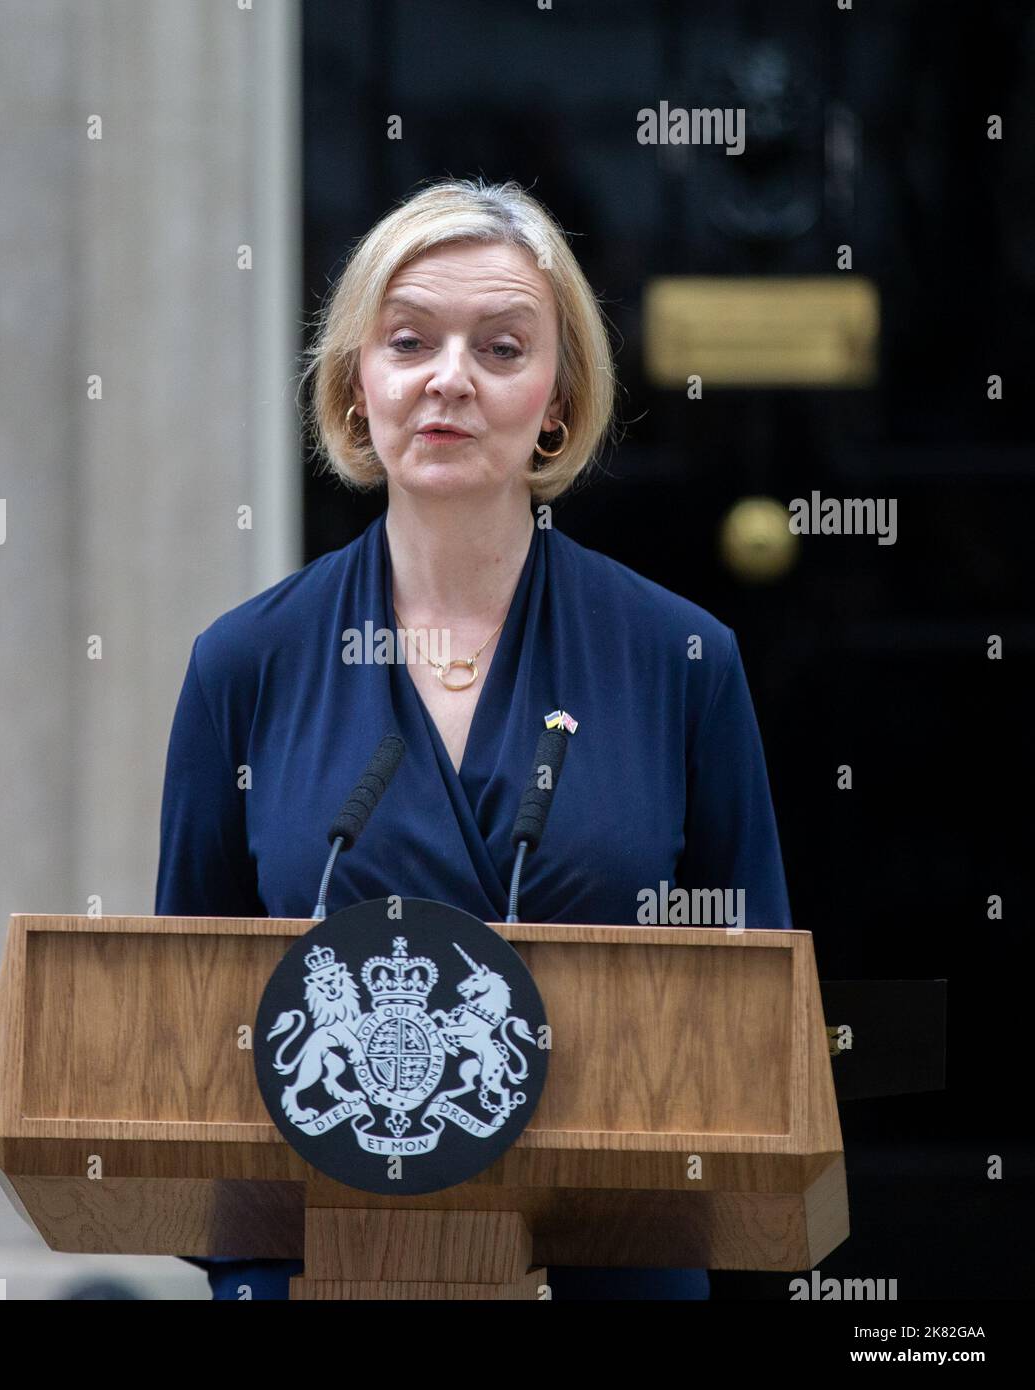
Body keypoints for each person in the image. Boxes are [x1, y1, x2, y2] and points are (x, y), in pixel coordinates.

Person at [155, 176, 793, 1301]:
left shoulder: (680, 660)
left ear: (556, 399)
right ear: (358, 383)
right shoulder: (243, 664)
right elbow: (185, 1026)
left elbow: (750, 1034)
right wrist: (258, 1274)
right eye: (408, 341)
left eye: (500, 348)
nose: (448, 378)